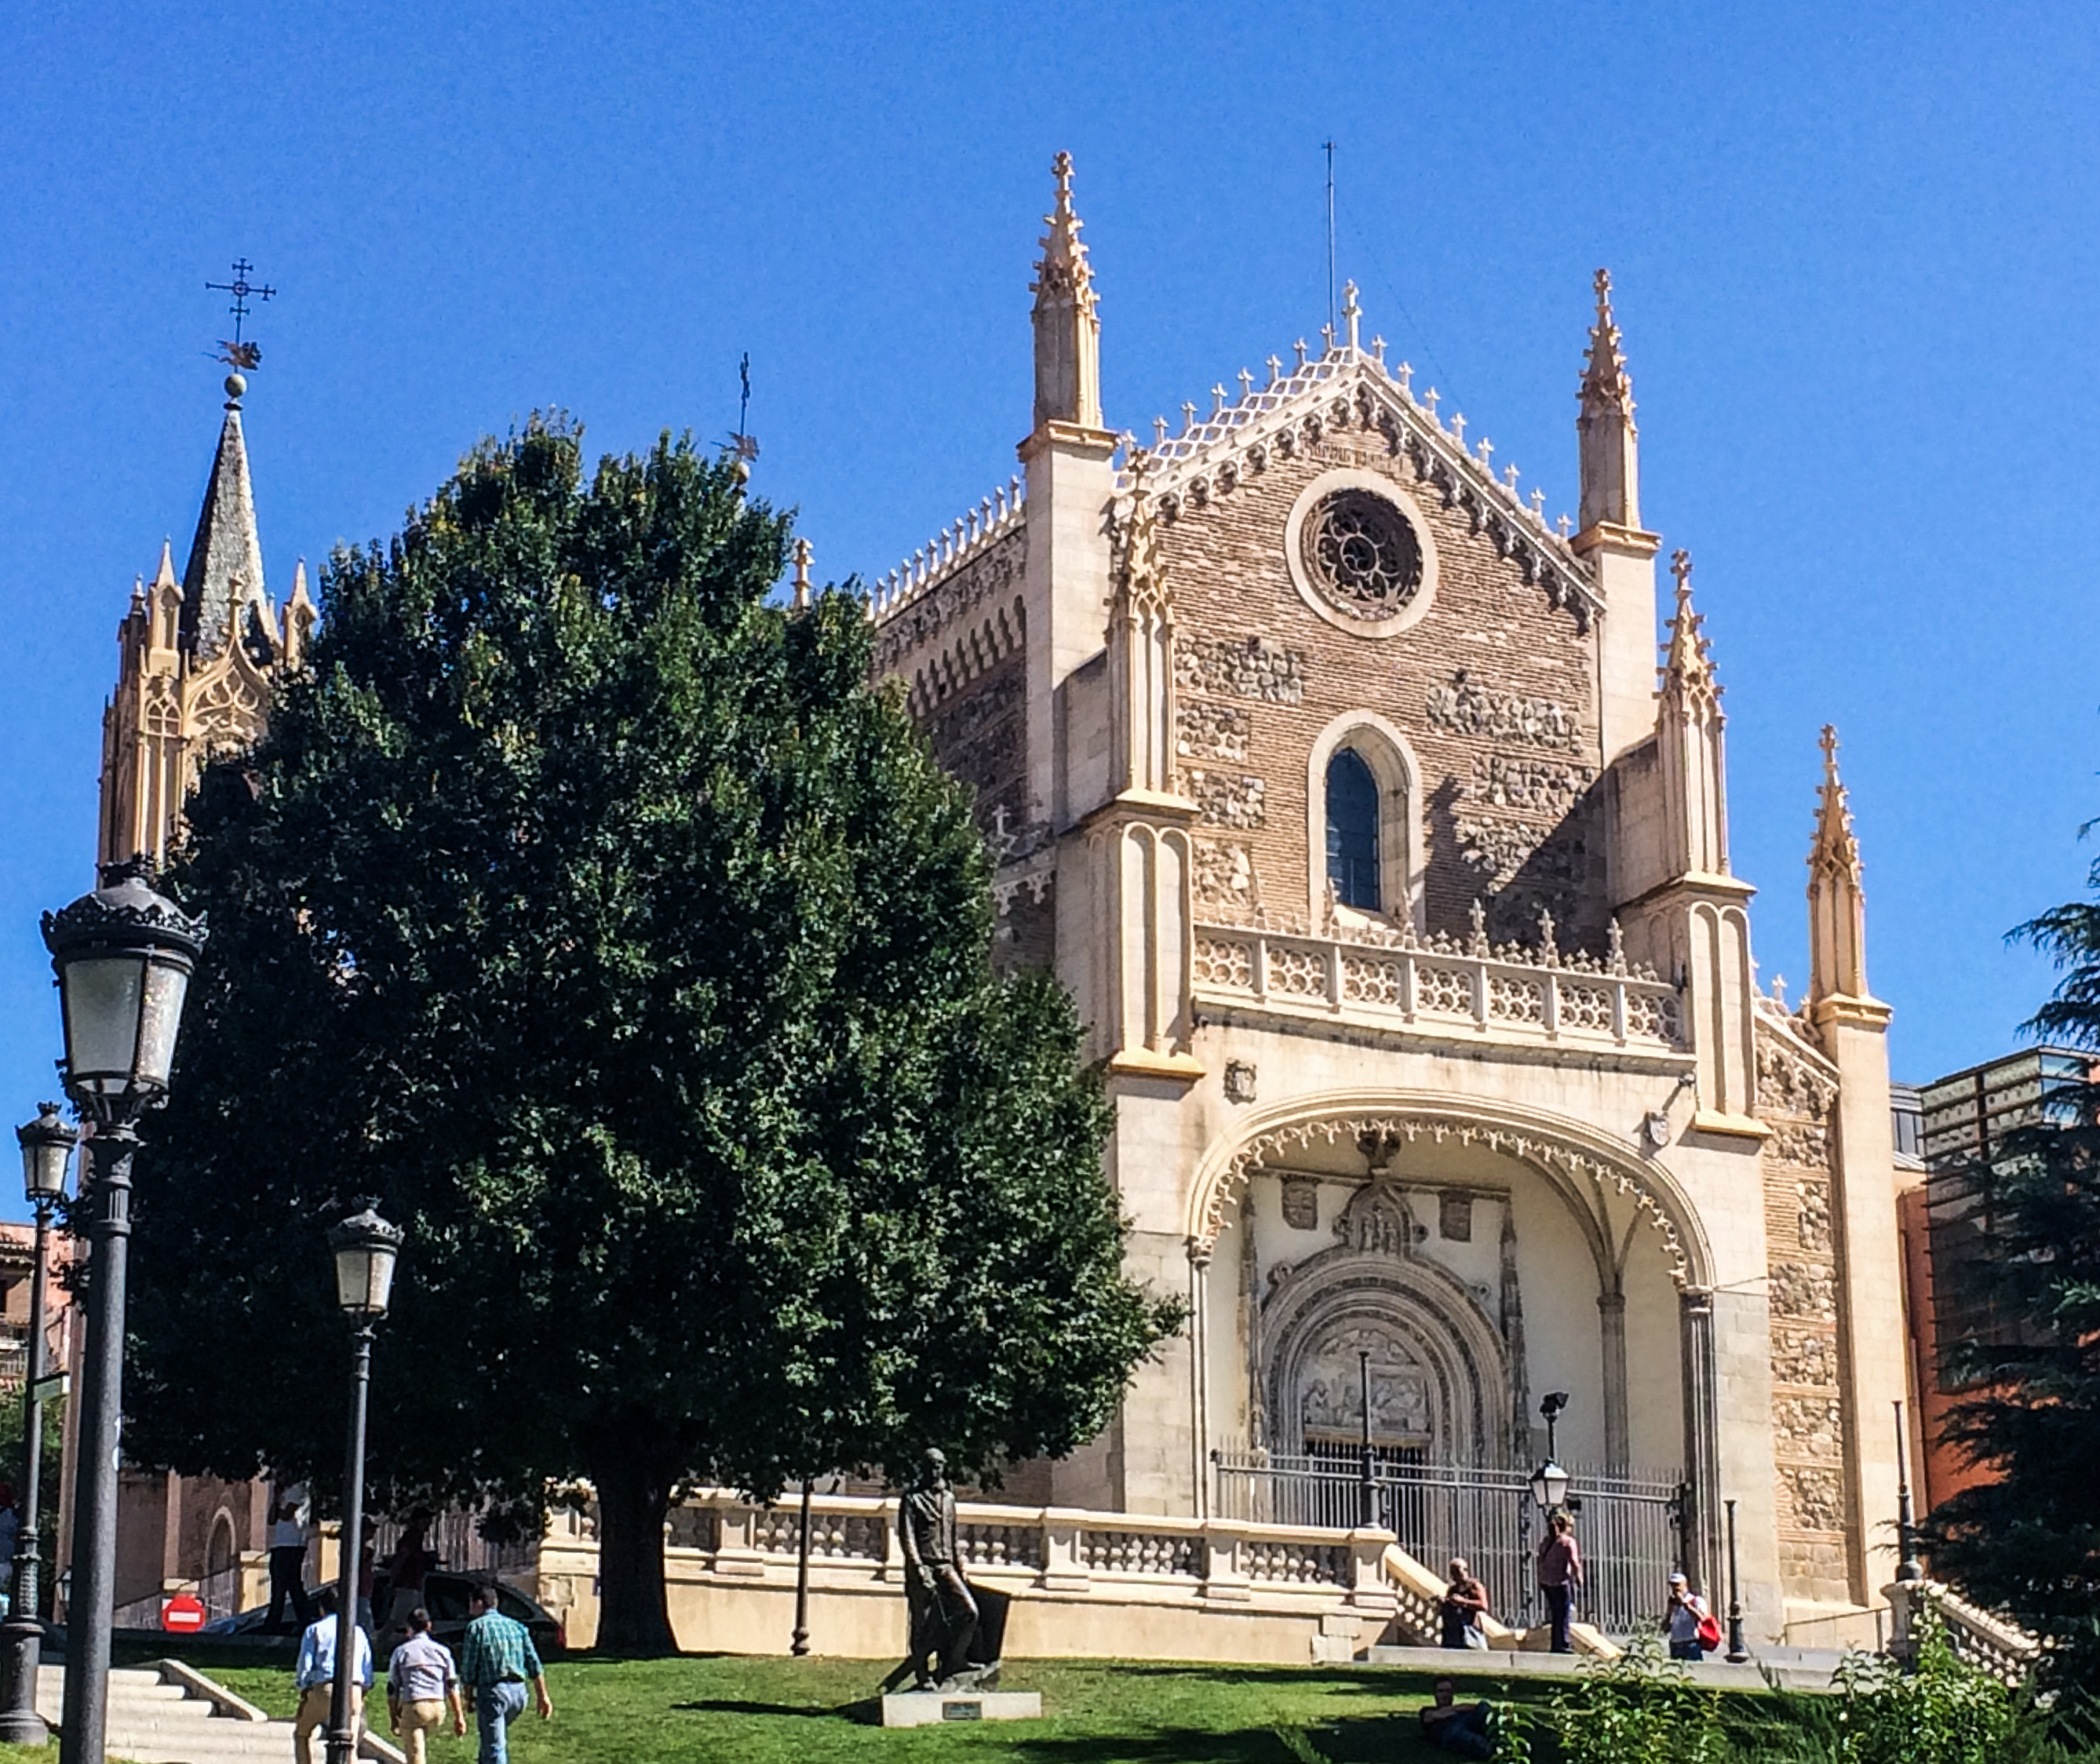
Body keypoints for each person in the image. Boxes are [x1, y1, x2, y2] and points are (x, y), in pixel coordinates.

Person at [899, 1448, 983, 1690]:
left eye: (939, 1465)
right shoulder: (912, 1499)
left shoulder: (949, 1499)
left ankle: (954, 1661)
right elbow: (908, 1538)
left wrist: (960, 1567)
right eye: (931, 1465)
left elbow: (953, 1536)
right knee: (922, 1624)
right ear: (923, 1468)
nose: (935, 1469)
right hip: (923, 1566)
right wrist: (918, 1569)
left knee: (970, 1612)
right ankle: (922, 1673)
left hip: (946, 1567)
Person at [458, 1580, 552, 1764]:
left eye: (471, 1603)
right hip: (519, 1694)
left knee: (494, 1747)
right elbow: (534, 1663)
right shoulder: (517, 1626)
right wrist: (543, 1697)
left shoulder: (477, 1627)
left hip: (493, 1693)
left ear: (479, 1603)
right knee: (491, 1741)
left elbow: (469, 1667)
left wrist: (468, 1697)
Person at [292, 1585, 373, 1764]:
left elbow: (305, 1666)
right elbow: (367, 1668)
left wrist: (304, 1688)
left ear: (322, 1608)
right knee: (350, 1742)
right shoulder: (358, 1631)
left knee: (302, 1733)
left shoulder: (315, 1630)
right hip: (355, 1689)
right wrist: (364, 1689)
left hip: (326, 1686)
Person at [386, 1606, 465, 1764]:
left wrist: (393, 1717)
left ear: (409, 1628)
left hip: (415, 1706)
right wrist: (459, 1716)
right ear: (429, 1626)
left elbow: (392, 1687)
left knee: (415, 1756)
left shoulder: (402, 1652)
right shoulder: (443, 1651)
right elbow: (451, 1684)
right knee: (421, 1743)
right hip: (438, 1707)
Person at [382, 1510, 437, 1646]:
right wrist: (394, 1576)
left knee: (422, 1618)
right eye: (425, 1521)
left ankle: (426, 1644)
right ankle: (379, 1644)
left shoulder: (416, 1538)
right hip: (408, 1585)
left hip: (416, 1585)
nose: (428, 1525)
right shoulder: (412, 1536)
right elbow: (403, 1556)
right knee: (396, 1618)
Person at [266, 1487, 315, 1631]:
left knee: (292, 1584)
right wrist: (275, 1499)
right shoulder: (283, 1494)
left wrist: (280, 1509)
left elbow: (287, 1514)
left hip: (293, 1544)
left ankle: (303, 1618)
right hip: (280, 1544)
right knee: (280, 1584)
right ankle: (275, 1620)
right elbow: (271, 1520)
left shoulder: (299, 1490)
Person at [1536, 1509, 1584, 1653]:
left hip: (1546, 1582)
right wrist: (1579, 1578)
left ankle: (1556, 1643)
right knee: (1563, 1612)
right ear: (1567, 1526)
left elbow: (1540, 1560)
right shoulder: (1568, 1542)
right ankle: (1563, 1643)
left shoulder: (1546, 1541)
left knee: (1556, 1612)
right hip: (1561, 1582)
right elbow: (1574, 1561)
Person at [1418, 1676, 1497, 1760]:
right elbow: (1434, 1715)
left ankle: (1500, 1735)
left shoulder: (1461, 1709)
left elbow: (1476, 1708)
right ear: (1435, 1694)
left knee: (1483, 1706)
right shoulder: (1427, 1710)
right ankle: (1492, 1751)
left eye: (1448, 1691)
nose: (1445, 1695)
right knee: (1473, 1740)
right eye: (1441, 1691)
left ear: (1452, 1694)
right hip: (1449, 1731)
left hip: (1468, 1721)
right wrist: (1456, 1709)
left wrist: (1455, 1710)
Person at [1438, 1556, 1490, 1650]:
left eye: (1457, 1572)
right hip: (1454, 1630)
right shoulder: (1452, 1590)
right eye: (1452, 1573)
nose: (1455, 1576)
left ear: (1465, 1570)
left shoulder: (1474, 1586)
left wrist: (1463, 1602)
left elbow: (1483, 1605)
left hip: (1470, 1629)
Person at [1663, 1569, 1710, 1662]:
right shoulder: (1673, 1604)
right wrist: (1669, 1613)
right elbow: (1665, 1628)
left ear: (1685, 1585)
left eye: (1677, 1585)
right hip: (1676, 1645)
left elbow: (1702, 1618)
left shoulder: (1696, 1601)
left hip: (1691, 1644)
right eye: (1672, 1585)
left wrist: (1686, 1605)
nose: (1674, 1588)